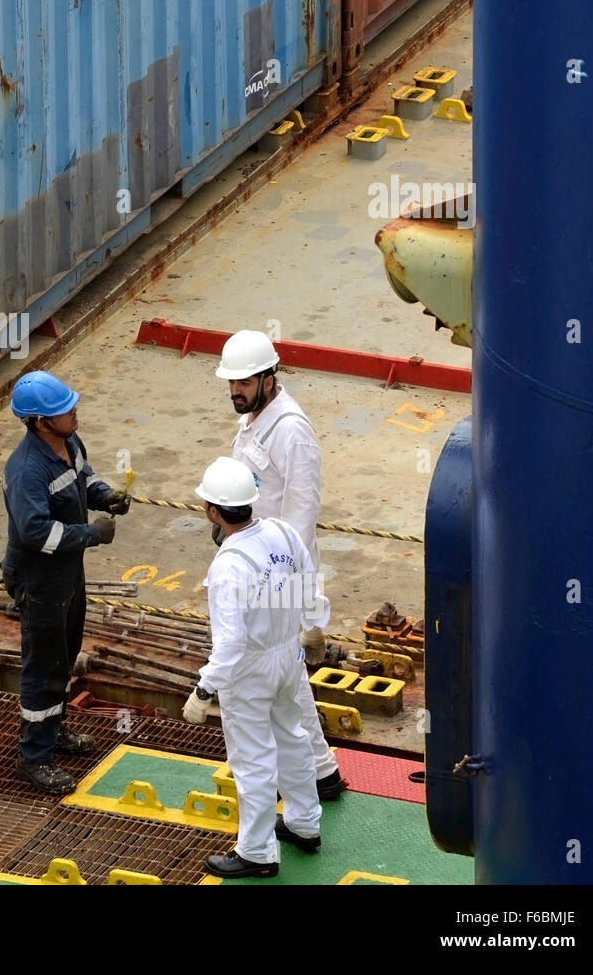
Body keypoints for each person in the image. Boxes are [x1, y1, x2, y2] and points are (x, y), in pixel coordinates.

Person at [215, 328, 346, 801]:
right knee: (285, 682)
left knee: (268, 677)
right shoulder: (255, 420)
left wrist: (308, 611)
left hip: (276, 579)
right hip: (256, 567)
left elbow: (301, 521)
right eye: (231, 382)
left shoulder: (291, 431)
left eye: (245, 382)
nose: (236, 390)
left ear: (270, 378)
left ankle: (299, 775)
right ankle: (319, 772)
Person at [182, 457, 329, 878]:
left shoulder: (229, 566)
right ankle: (304, 822)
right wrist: (314, 625)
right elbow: (307, 581)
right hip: (288, 657)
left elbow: (230, 644)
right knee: (292, 737)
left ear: (213, 511)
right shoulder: (282, 532)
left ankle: (257, 852)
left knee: (253, 760)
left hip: (250, 671)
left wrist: (204, 689)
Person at [0, 370, 130, 794]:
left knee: (65, 656)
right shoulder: (26, 469)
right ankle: (34, 757)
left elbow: (84, 479)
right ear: (40, 422)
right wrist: (92, 534)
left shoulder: (69, 443)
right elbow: (36, 532)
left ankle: (54, 733)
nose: (74, 413)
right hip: (39, 582)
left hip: (67, 575)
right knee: (43, 667)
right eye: (64, 410)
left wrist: (106, 494)